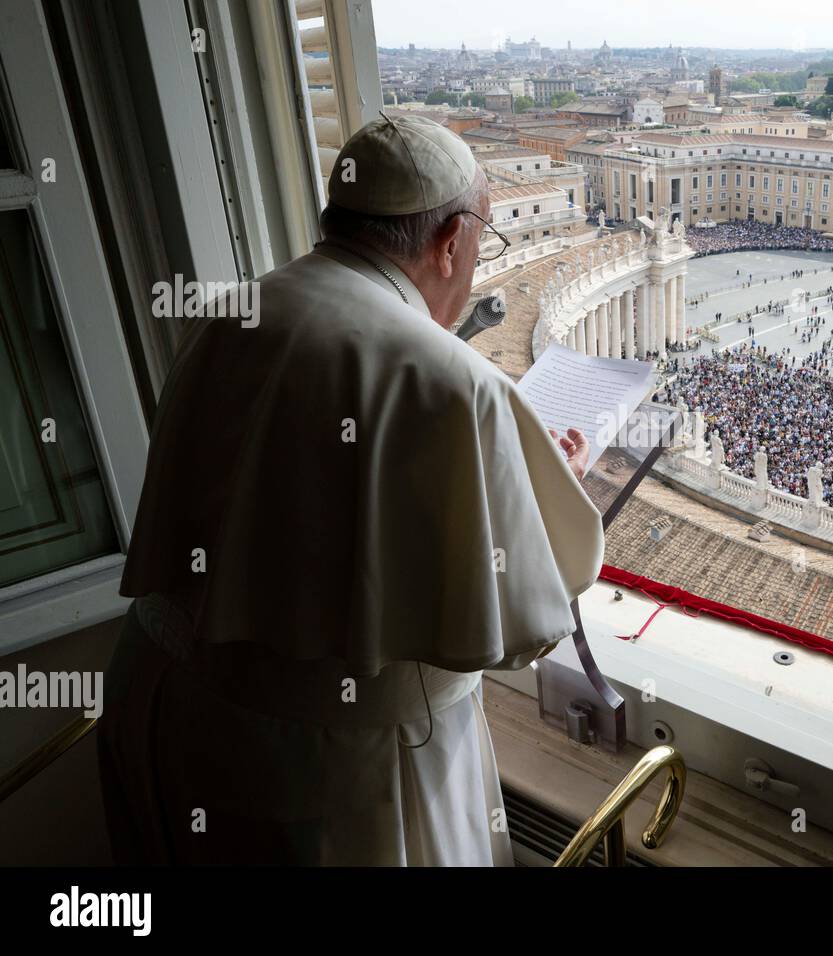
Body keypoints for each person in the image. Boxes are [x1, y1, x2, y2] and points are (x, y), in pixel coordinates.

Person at [98, 114, 603, 866]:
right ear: (450, 241)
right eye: (485, 243)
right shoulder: (453, 383)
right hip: (325, 769)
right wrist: (546, 490)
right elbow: (528, 623)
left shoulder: (225, 314)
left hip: (161, 706)